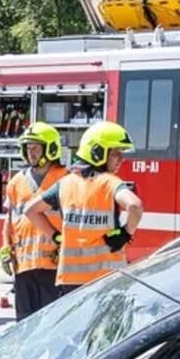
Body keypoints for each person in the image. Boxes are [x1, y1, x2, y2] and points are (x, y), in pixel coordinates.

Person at [25, 121, 144, 291]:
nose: (121, 159)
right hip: (106, 280)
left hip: (69, 281)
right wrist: (126, 233)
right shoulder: (109, 182)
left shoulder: (65, 184)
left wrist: (56, 236)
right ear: (98, 152)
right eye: (116, 153)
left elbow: (31, 210)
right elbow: (135, 205)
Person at [0, 122, 69, 319]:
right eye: (28, 148)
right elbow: (10, 219)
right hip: (23, 267)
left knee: (52, 321)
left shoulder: (65, 179)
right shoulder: (15, 182)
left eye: (36, 148)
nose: (31, 153)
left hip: (53, 266)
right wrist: (6, 249)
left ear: (50, 148)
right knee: (24, 321)